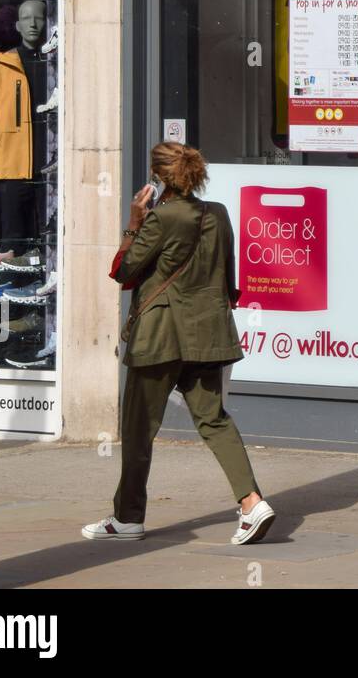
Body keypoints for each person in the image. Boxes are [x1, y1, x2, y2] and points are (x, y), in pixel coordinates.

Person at [82, 141, 276, 545]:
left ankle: (128, 518)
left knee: (138, 430)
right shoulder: (218, 214)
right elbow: (229, 282)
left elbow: (123, 270)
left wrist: (135, 220)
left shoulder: (162, 218)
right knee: (215, 420)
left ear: (158, 176)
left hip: (160, 338)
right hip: (209, 334)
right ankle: (251, 502)